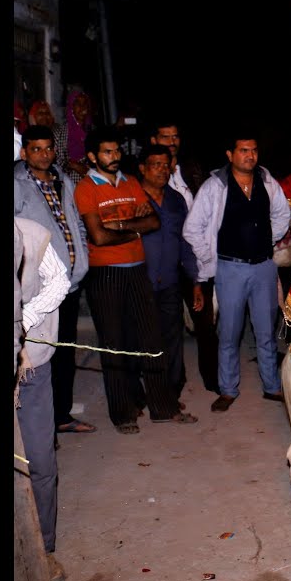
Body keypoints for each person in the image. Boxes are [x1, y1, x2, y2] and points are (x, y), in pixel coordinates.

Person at [74, 125, 196, 433]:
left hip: (138, 268)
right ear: (92, 157)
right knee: (114, 343)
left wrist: (119, 225)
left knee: (152, 340)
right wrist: (133, 227)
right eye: (107, 152)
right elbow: (99, 237)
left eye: (117, 150)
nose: (114, 156)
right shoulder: (86, 188)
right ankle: (123, 414)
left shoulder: (130, 182)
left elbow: (153, 222)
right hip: (105, 273)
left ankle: (163, 407)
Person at [184, 130, 291, 412]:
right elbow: (192, 228)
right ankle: (228, 389)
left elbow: (282, 214)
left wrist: (267, 240)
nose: (250, 155)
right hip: (230, 268)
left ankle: (272, 386)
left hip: (264, 267)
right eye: (243, 150)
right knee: (229, 333)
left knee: (266, 331)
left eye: (253, 150)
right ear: (230, 155)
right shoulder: (214, 186)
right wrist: (208, 258)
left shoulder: (266, 181)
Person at [14, 125, 94, 435]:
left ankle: (61, 416)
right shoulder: (17, 184)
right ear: (24, 152)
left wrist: (81, 257)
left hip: (70, 283)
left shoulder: (61, 179)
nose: (44, 155)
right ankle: (40, 428)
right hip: (39, 288)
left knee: (64, 351)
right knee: (39, 354)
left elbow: (75, 223)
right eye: (36, 149)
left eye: (49, 148)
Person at [15, 216, 72, 581]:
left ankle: (43, 549)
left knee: (38, 460)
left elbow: (59, 281)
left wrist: (24, 318)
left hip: (29, 367)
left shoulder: (30, 234)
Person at [148, 117, 217, 393]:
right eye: (165, 137)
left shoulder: (192, 168)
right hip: (164, 258)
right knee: (167, 324)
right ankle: (173, 383)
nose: (172, 142)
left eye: (175, 136)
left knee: (205, 321)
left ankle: (212, 379)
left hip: (193, 254)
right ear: (154, 140)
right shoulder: (148, 175)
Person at [137, 144, 202, 404]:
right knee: (143, 339)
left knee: (173, 339)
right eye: (156, 165)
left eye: (166, 165)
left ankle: (170, 394)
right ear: (143, 168)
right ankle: (144, 393)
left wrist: (195, 281)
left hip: (171, 282)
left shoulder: (176, 200)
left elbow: (185, 242)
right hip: (140, 282)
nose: (162, 170)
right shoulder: (132, 197)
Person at [63, 89, 95, 184]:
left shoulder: (93, 131)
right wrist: (74, 166)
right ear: (71, 107)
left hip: (92, 180)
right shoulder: (62, 132)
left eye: (85, 103)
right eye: (78, 103)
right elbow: (58, 160)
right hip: (69, 182)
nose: (82, 107)